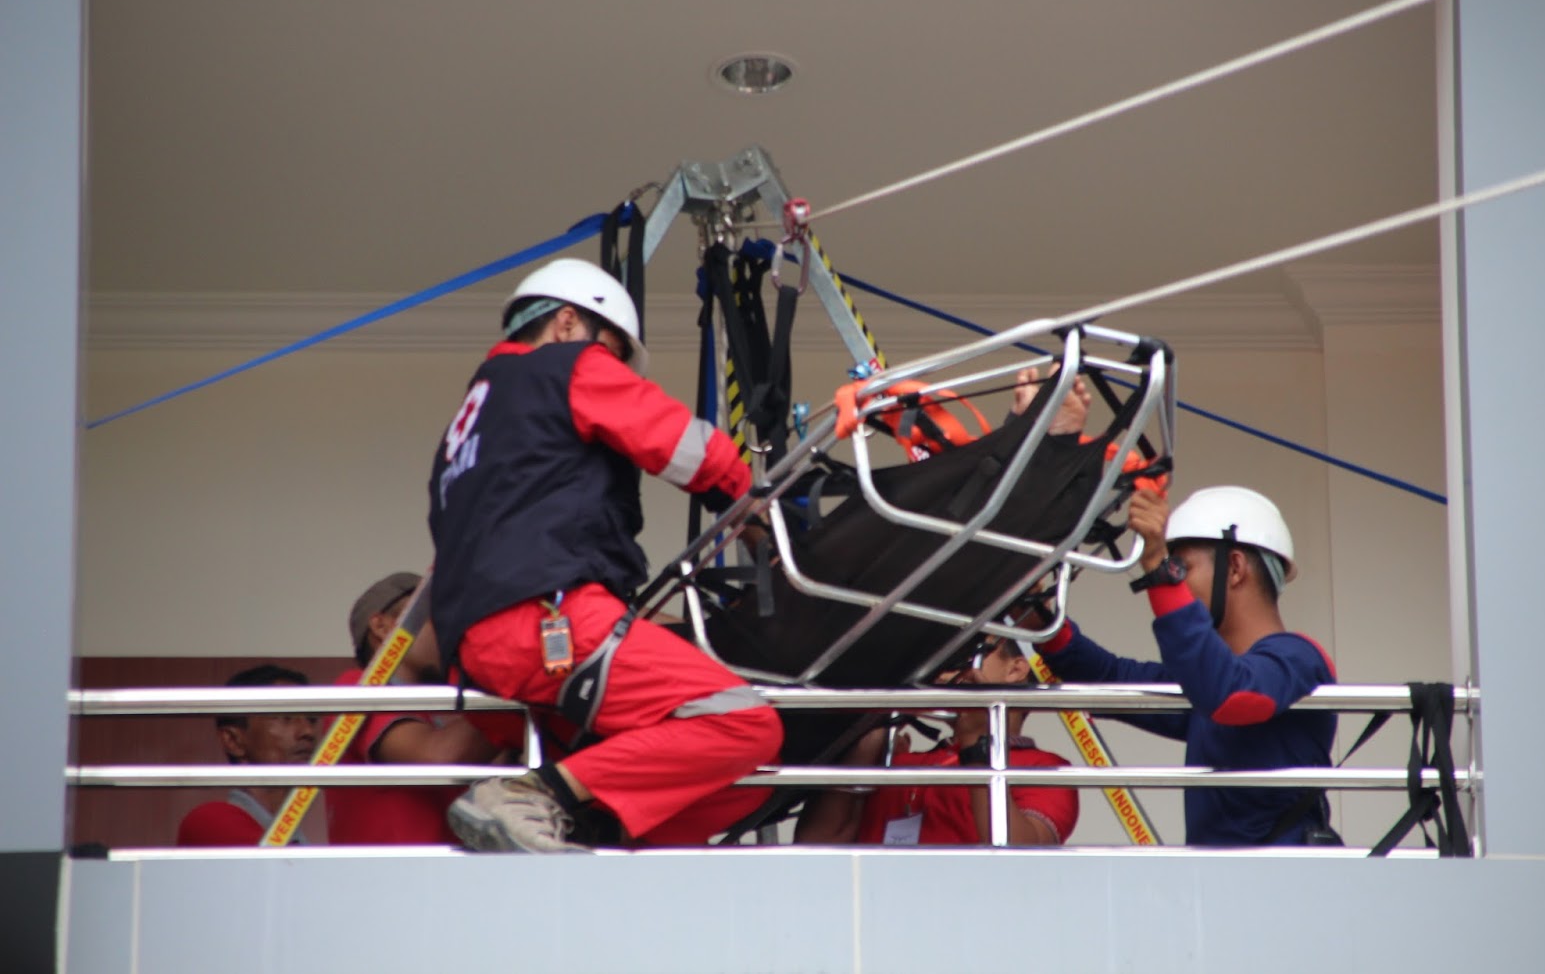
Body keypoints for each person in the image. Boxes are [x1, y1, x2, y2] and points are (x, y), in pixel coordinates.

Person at [427, 257, 783, 853]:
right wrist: (757, 511)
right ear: (567, 323)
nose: (613, 368)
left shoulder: (469, 428)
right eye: (612, 352)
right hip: (549, 622)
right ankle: (530, 796)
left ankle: (593, 832)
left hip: (480, 648)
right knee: (744, 726)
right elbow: (684, 446)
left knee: (731, 779)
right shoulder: (565, 366)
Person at [1034, 478, 1338, 846]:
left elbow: (1231, 696)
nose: (1175, 581)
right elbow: (1108, 675)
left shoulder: (1299, 656)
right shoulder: (1209, 681)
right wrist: (1035, 614)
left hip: (1287, 886)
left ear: (1237, 567)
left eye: (1182, 568)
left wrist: (1158, 570)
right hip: (1224, 885)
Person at [794, 636, 1079, 846]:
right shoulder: (899, 760)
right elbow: (816, 843)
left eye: (973, 651)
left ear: (1015, 670)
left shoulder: (1046, 768)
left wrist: (977, 744)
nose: (951, 667)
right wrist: (876, 726)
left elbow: (1021, 858)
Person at [325, 572, 508, 845]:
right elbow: (438, 757)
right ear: (382, 626)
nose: (451, 630)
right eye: (438, 619)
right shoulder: (356, 685)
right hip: (390, 878)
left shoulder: (443, 713)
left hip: (442, 876)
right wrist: (515, 683)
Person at [175, 664, 318, 846]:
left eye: (312, 719)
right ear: (233, 741)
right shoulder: (208, 822)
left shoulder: (298, 842)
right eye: (286, 717)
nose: (308, 731)